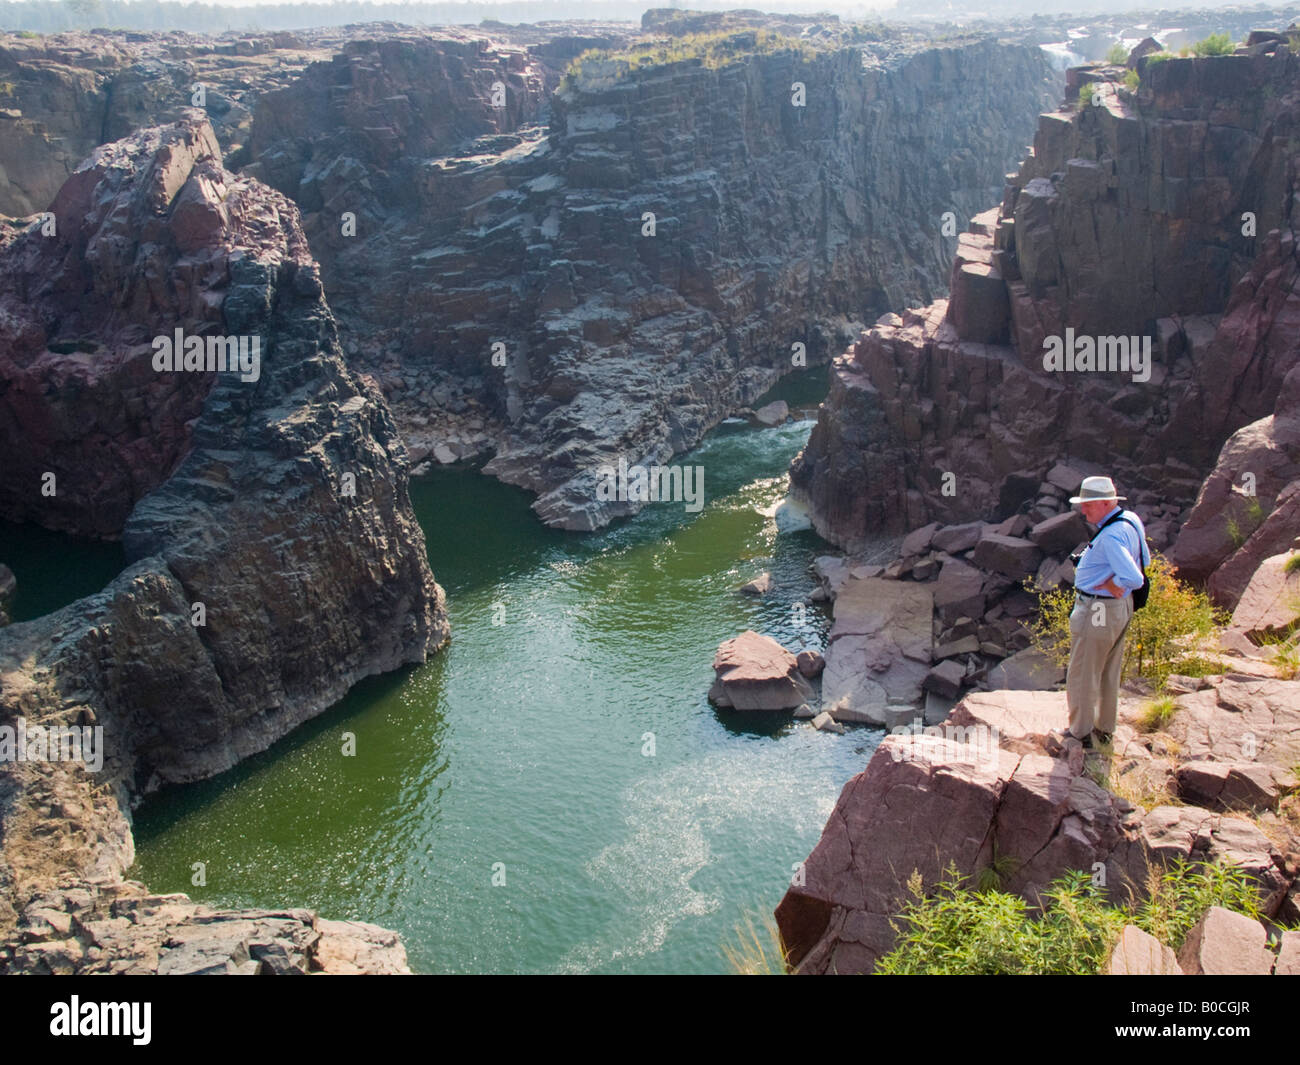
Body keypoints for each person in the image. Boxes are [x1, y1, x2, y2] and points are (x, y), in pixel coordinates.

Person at [1057, 476, 1149, 750]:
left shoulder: (1109, 537)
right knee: (1108, 669)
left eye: (1089, 505)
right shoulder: (1130, 520)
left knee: (1084, 671)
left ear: (1107, 502)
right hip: (1119, 609)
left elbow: (1134, 577)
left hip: (1098, 608)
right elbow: (1146, 559)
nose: (1083, 511)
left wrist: (1115, 583)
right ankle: (1104, 728)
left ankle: (1080, 734)